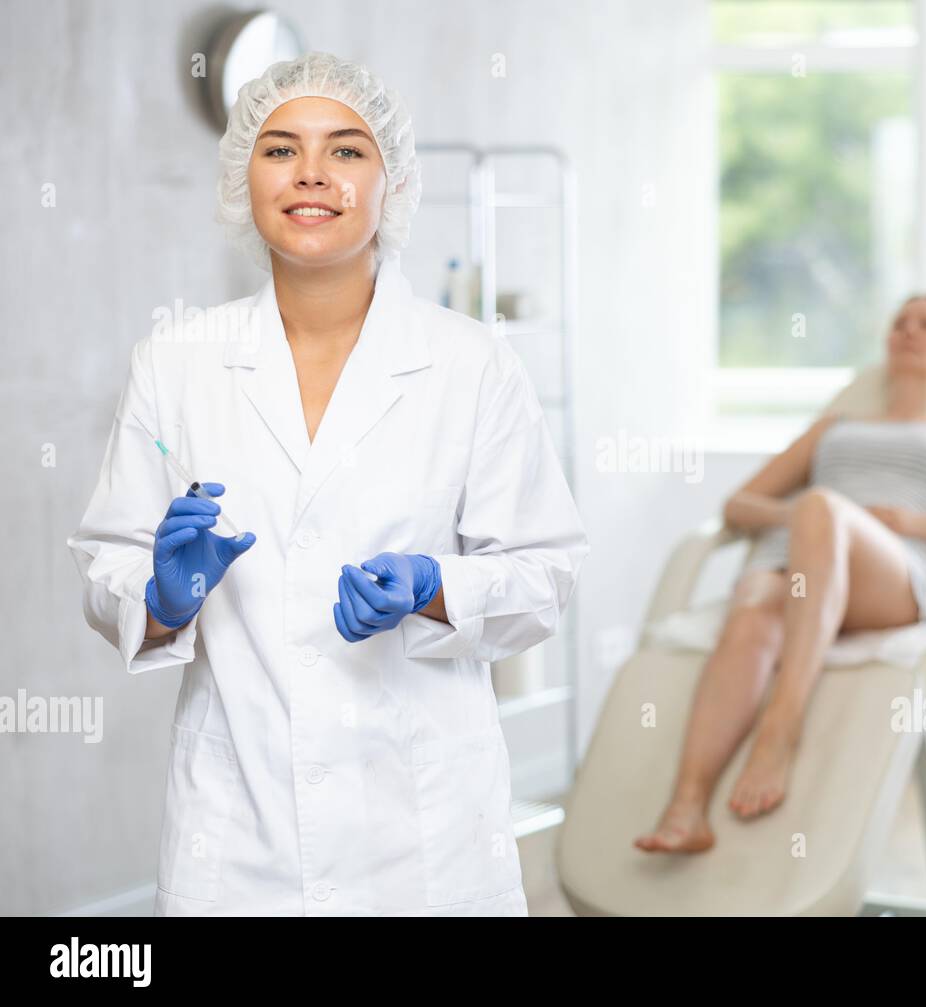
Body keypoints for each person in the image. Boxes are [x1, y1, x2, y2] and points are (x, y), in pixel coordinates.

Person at [66, 52, 588, 915]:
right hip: (237, 834)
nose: (311, 172)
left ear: (394, 182)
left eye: (346, 150)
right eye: (279, 149)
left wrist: (435, 586)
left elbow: (546, 571)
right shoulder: (176, 361)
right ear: (244, 177)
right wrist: (161, 595)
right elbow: (107, 563)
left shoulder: (471, 363)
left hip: (425, 840)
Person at [635, 294, 926, 854]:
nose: (909, 331)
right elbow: (740, 505)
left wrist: (916, 522)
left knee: (822, 508)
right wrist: (803, 519)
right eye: (900, 323)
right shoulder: (836, 425)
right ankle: (686, 808)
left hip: (893, 568)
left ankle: (781, 727)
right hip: (797, 558)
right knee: (752, 614)